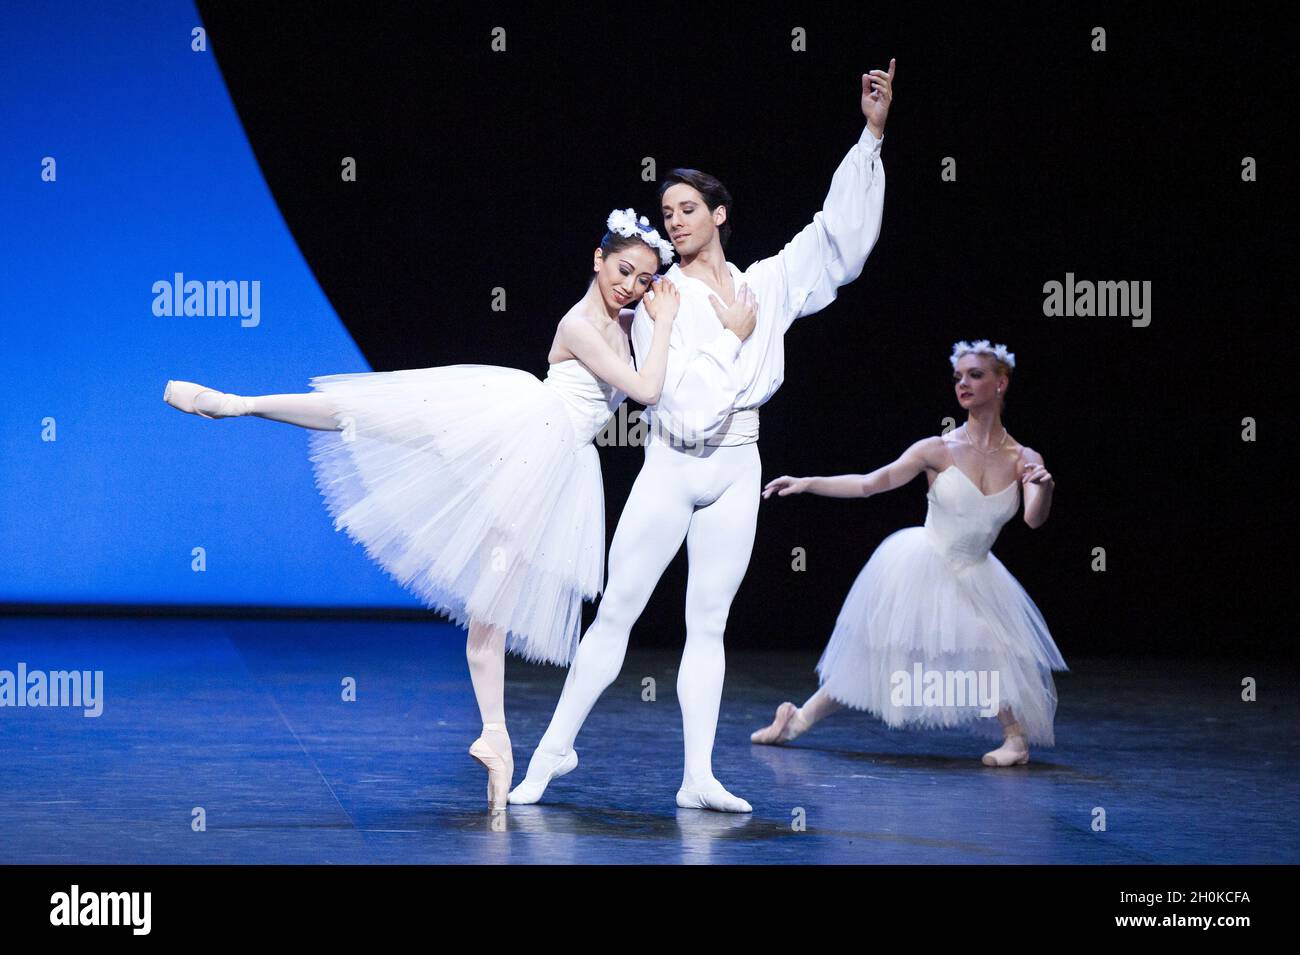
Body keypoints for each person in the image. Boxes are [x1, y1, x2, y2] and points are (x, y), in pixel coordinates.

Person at [162, 209, 681, 810]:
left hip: (551, 467)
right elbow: (645, 391)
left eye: (644, 280)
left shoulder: (627, 323)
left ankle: (496, 737)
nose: (632, 286)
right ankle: (238, 403)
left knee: (491, 613)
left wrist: (665, 312)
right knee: (380, 415)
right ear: (597, 259)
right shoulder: (582, 323)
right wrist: (663, 320)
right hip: (521, 426)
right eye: (624, 270)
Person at [511, 61, 896, 813]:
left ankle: (696, 775)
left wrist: (872, 135)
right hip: (671, 463)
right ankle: (551, 752)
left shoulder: (768, 282)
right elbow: (653, 363)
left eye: (689, 207)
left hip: (738, 465)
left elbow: (836, 241)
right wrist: (729, 329)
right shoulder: (662, 292)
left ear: (720, 214)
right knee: (618, 608)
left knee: (708, 622)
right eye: (668, 209)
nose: (676, 219)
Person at [751, 340, 1067, 766]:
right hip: (925, 561)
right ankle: (797, 720)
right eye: (958, 377)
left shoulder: (1024, 458)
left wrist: (1044, 488)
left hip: (976, 570)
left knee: (990, 645)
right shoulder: (937, 449)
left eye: (975, 375)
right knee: (878, 656)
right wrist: (808, 481)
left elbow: (1033, 518)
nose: (964, 384)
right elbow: (869, 483)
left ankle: (1015, 740)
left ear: (1001, 383)